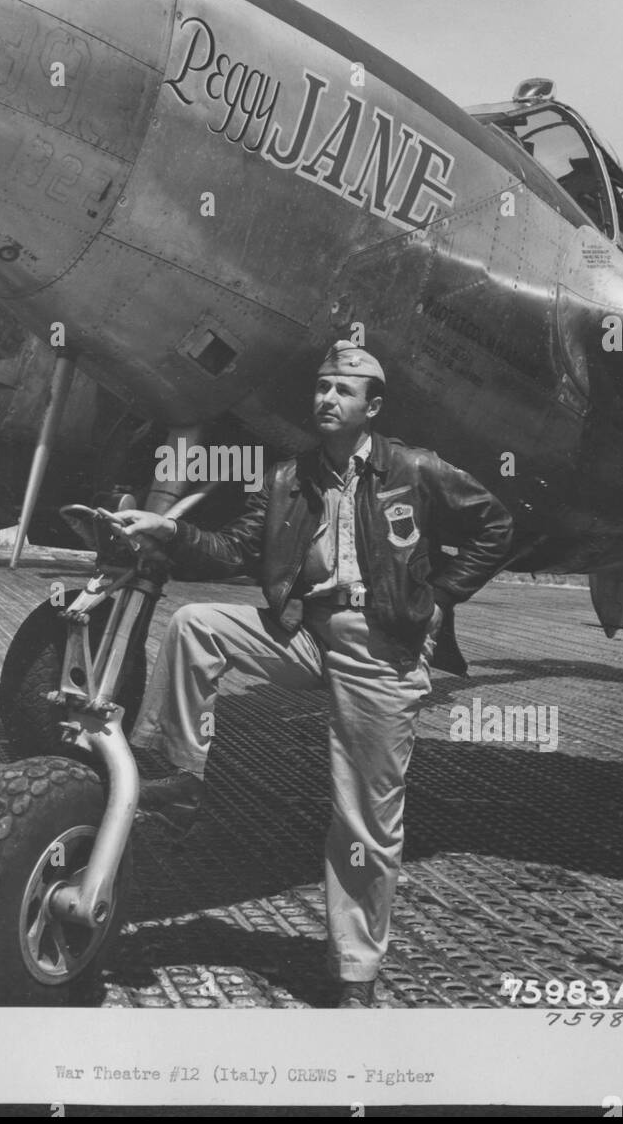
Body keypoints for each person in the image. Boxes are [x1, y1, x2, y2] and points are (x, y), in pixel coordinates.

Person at [108, 341, 513, 1008]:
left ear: (371, 406)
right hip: (306, 633)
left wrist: (440, 597)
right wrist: (168, 532)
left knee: (362, 821)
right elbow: (232, 549)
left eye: (342, 390)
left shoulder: (414, 469)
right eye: (321, 388)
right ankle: (175, 778)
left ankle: (354, 972)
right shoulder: (287, 477)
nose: (326, 398)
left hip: (381, 649)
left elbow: (492, 524)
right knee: (194, 626)